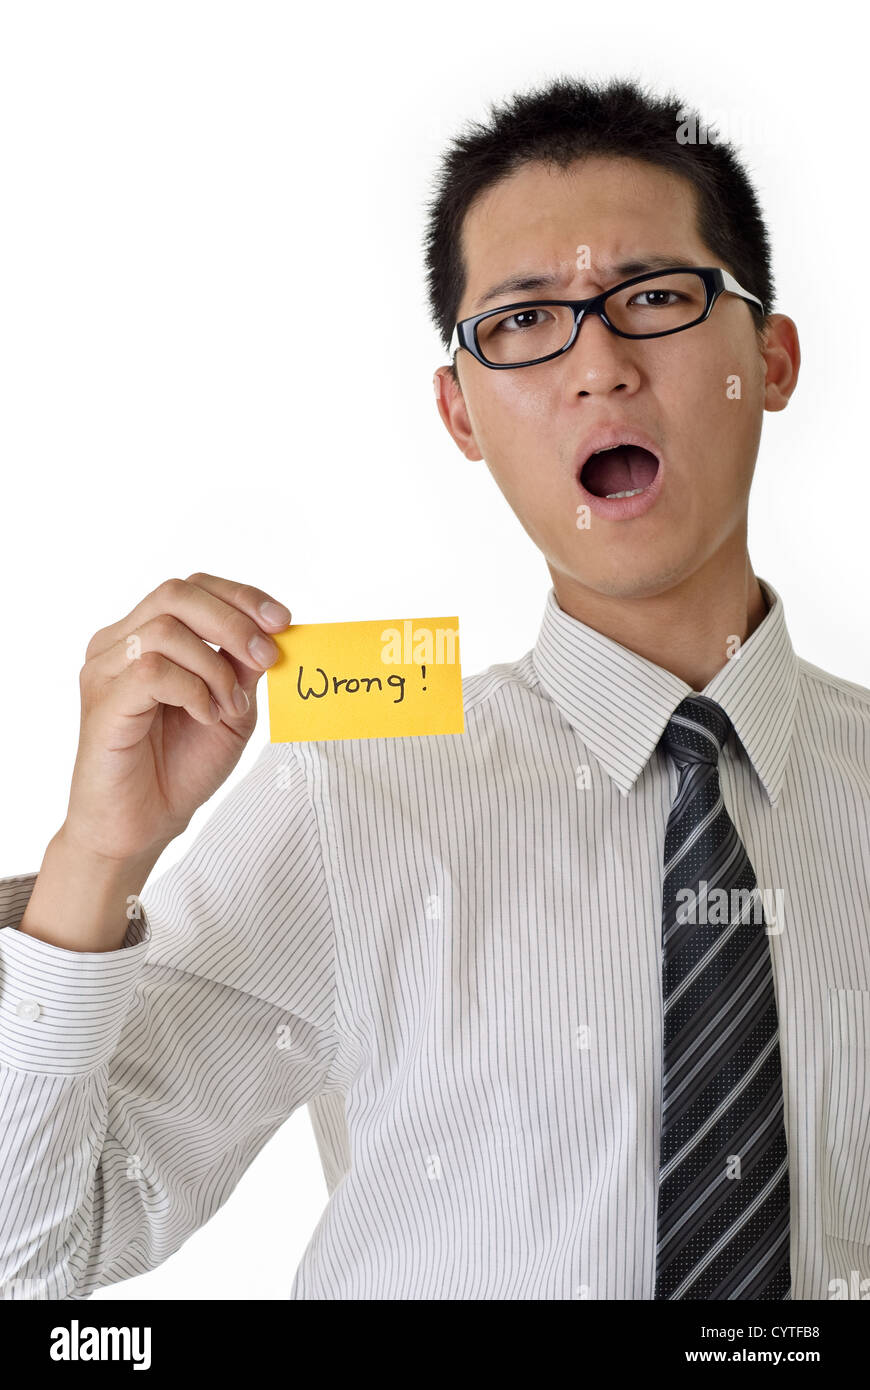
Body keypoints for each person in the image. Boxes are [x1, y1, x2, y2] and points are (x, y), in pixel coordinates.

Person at [1, 75, 868, 1303]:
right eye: (523, 323)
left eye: (659, 296)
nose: (600, 366)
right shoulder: (352, 793)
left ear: (771, 358)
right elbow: (34, 1257)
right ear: (461, 413)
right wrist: (94, 855)